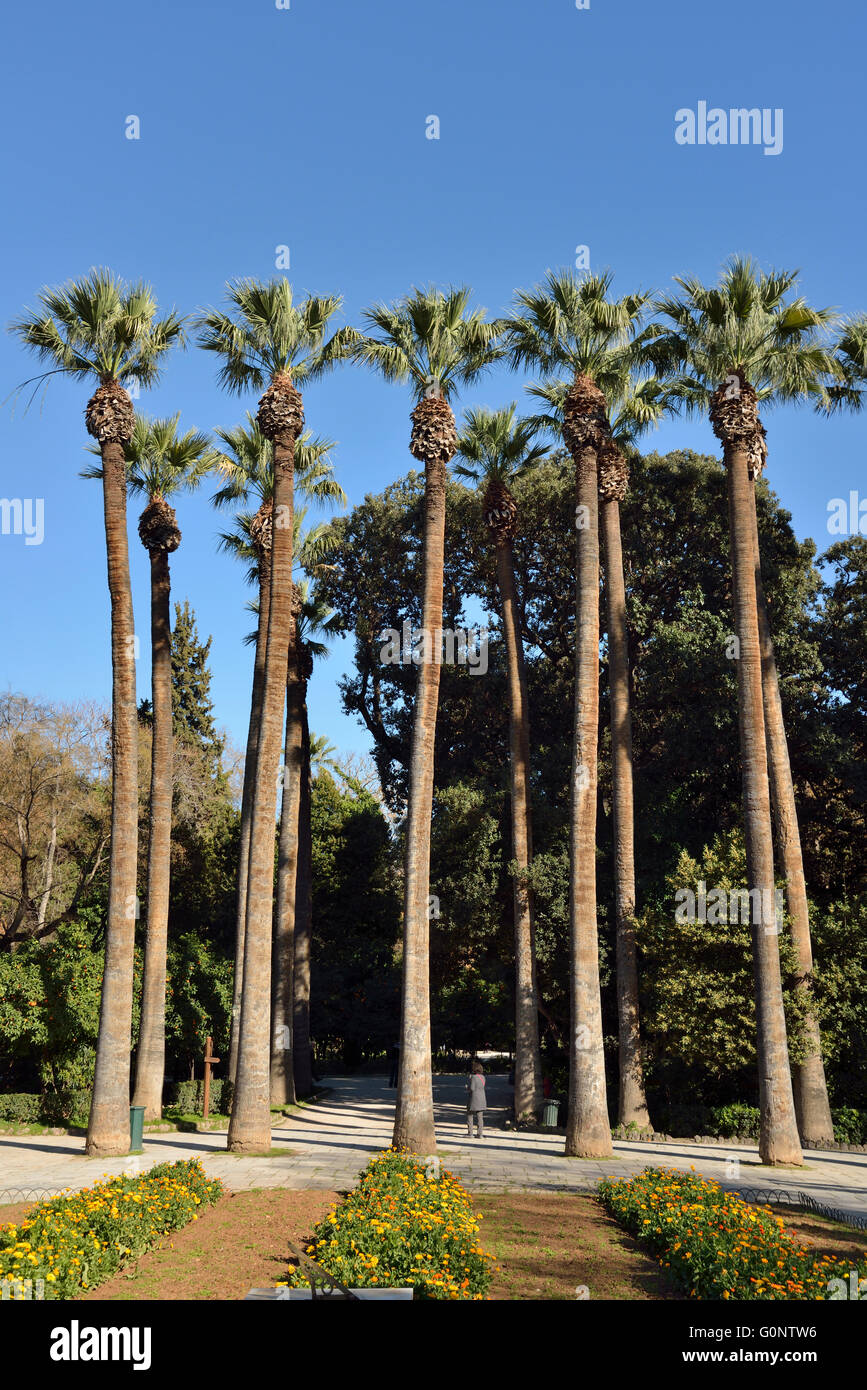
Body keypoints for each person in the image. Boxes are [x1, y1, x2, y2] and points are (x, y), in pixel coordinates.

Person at [466, 1059, 487, 1140]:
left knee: (470, 1115)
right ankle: (480, 1134)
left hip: (474, 1099)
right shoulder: (483, 1077)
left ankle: (470, 1133)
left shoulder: (473, 1077)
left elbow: (472, 1088)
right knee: (480, 1117)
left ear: (474, 1069)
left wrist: (467, 1087)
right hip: (482, 1099)